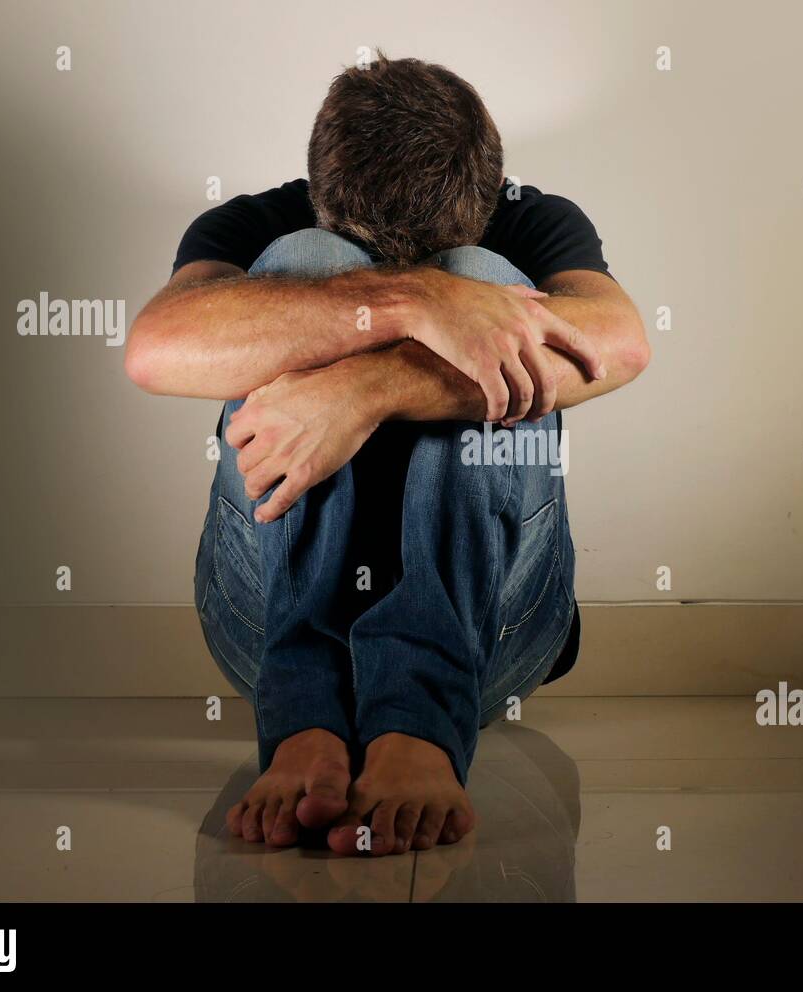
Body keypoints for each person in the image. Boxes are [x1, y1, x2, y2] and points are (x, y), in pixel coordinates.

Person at [125, 54, 649, 856]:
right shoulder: (260, 223)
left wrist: (369, 387)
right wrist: (409, 302)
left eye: (426, 261)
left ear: (486, 192)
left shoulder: (529, 222)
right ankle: (305, 710)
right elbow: (155, 351)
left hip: (492, 630)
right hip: (264, 627)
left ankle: (420, 718)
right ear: (321, 193)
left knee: (486, 277)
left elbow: (620, 343)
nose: (418, 275)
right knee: (304, 267)